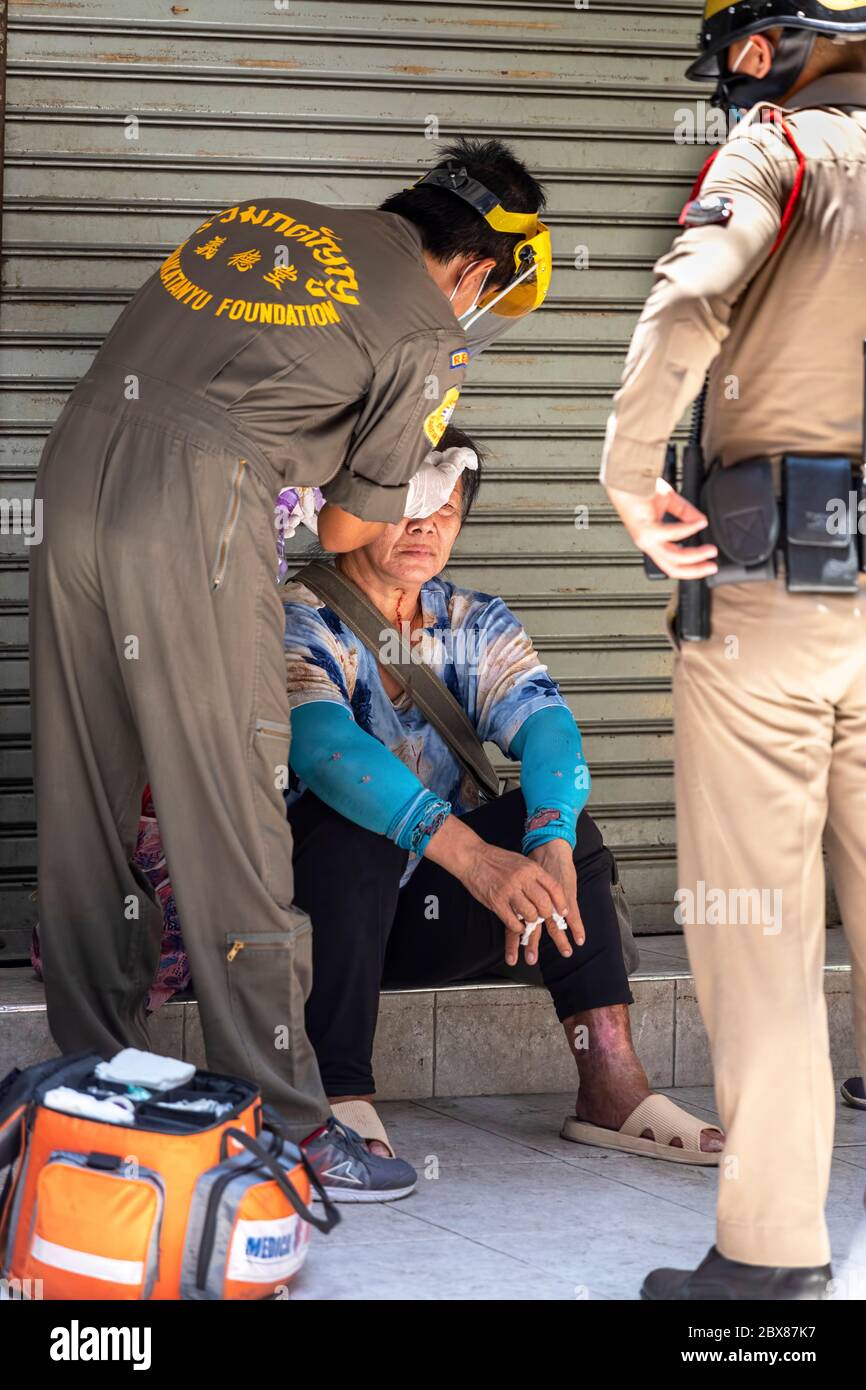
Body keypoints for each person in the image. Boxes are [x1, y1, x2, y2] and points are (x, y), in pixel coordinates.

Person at [29, 136, 552, 1192]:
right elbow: (356, 523)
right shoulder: (425, 325)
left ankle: (86, 1091)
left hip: (70, 476)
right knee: (229, 806)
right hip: (194, 513)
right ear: (477, 270)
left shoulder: (262, 215)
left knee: (82, 798)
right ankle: (280, 1119)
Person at [601, 1, 866, 1300]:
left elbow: (697, 292)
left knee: (756, 929)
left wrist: (624, 460)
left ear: (775, 45)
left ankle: (769, 1261)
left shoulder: (783, 146)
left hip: (775, 601)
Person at [280, 424, 723, 1172]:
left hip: (433, 917)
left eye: (446, 509)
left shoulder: (471, 620)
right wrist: (474, 858)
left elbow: (550, 731)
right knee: (346, 824)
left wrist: (547, 834)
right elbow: (325, 750)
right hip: (322, 927)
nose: (425, 527)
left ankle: (610, 1082)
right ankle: (336, 1096)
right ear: (354, 507)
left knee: (565, 829)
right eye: (406, 505)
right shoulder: (296, 616)